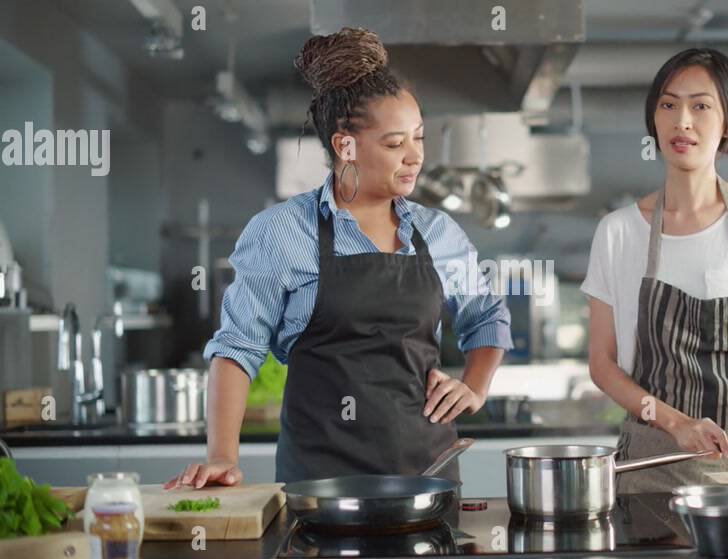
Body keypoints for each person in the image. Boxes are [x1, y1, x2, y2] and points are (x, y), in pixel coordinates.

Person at [165, 28, 511, 489]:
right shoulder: (283, 231)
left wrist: (475, 385)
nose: (414, 158)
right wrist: (222, 457)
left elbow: (487, 314)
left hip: (427, 475)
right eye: (394, 144)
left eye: (419, 138)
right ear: (345, 145)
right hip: (321, 483)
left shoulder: (437, 232)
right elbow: (237, 349)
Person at [583, 48, 728, 492]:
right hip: (652, 463)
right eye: (668, 105)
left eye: (700, 106)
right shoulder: (617, 232)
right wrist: (675, 422)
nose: (682, 121)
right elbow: (602, 365)